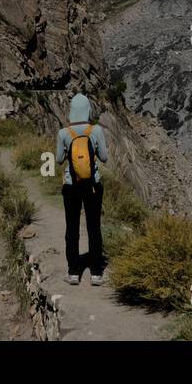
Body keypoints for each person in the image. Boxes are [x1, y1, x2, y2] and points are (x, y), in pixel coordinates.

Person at [56, 92, 108, 285]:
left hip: (71, 186)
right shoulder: (96, 131)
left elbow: (59, 159)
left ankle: (73, 272)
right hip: (93, 185)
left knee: (72, 227)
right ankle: (96, 273)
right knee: (94, 227)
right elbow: (104, 157)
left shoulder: (63, 133)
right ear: (88, 109)